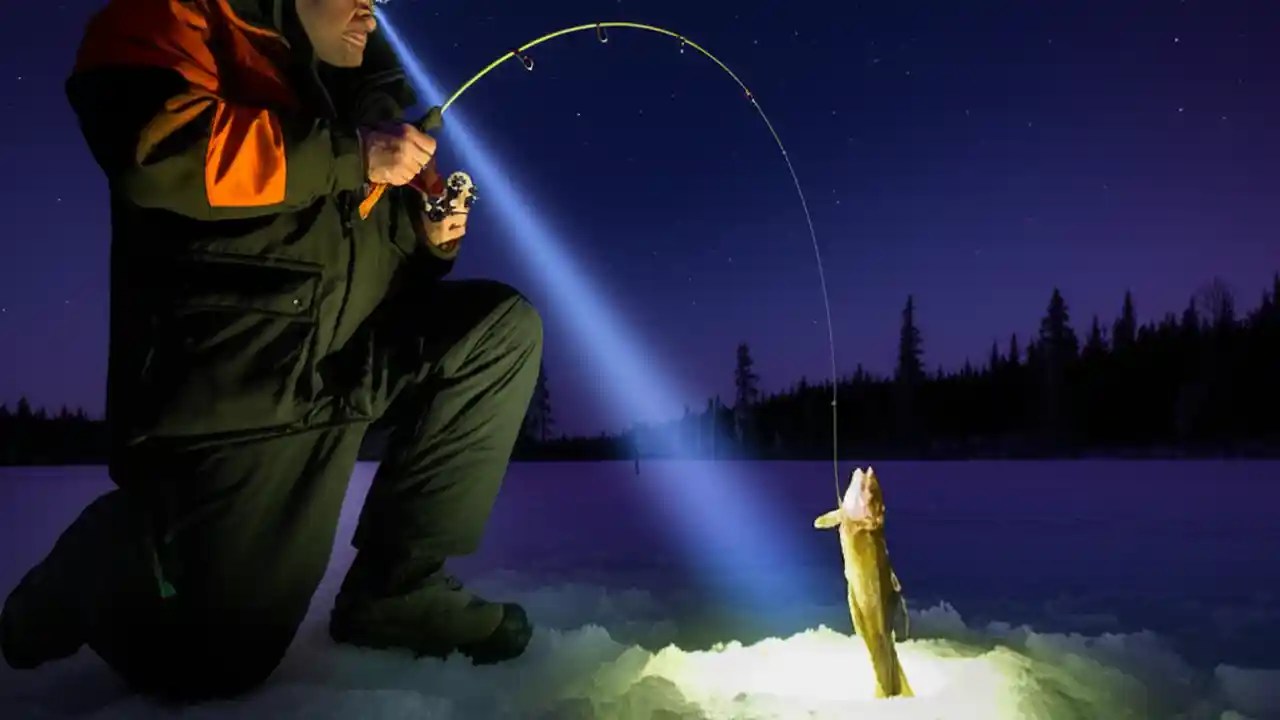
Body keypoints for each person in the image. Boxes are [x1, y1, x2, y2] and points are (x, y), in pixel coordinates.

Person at [0, 0, 542, 701]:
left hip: (339, 370)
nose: (369, 12)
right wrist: (352, 155)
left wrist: (427, 240)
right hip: (240, 390)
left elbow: (366, 258)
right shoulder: (178, 17)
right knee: (214, 664)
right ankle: (90, 565)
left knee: (498, 331)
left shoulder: (369, 105)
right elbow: (157, 150)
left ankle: (395, 593)